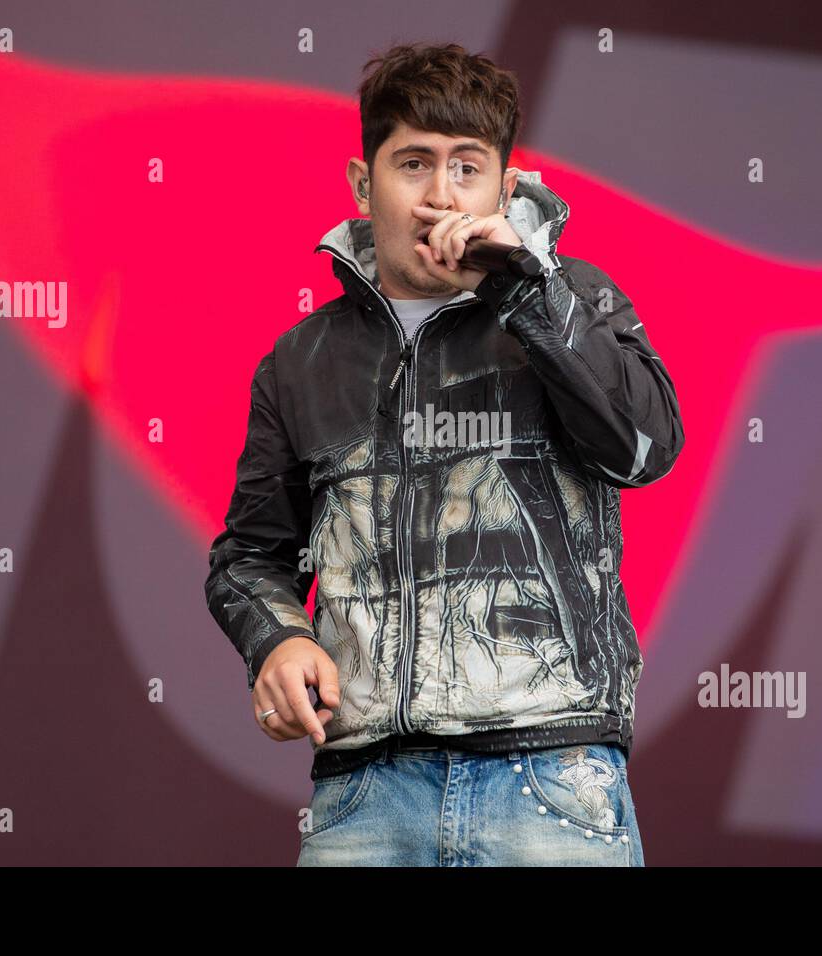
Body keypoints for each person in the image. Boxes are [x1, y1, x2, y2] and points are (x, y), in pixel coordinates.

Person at [204, 41, 684, 866]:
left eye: (467, 168)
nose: (439, 196)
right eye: (413, 164)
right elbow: (249, 556)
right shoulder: (300, 360)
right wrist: (278, 641)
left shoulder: (576, 300)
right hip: (364, 796)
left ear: (506, 185)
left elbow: (644, 449)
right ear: (364, 184)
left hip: (555, 781)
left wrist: (525, 289)